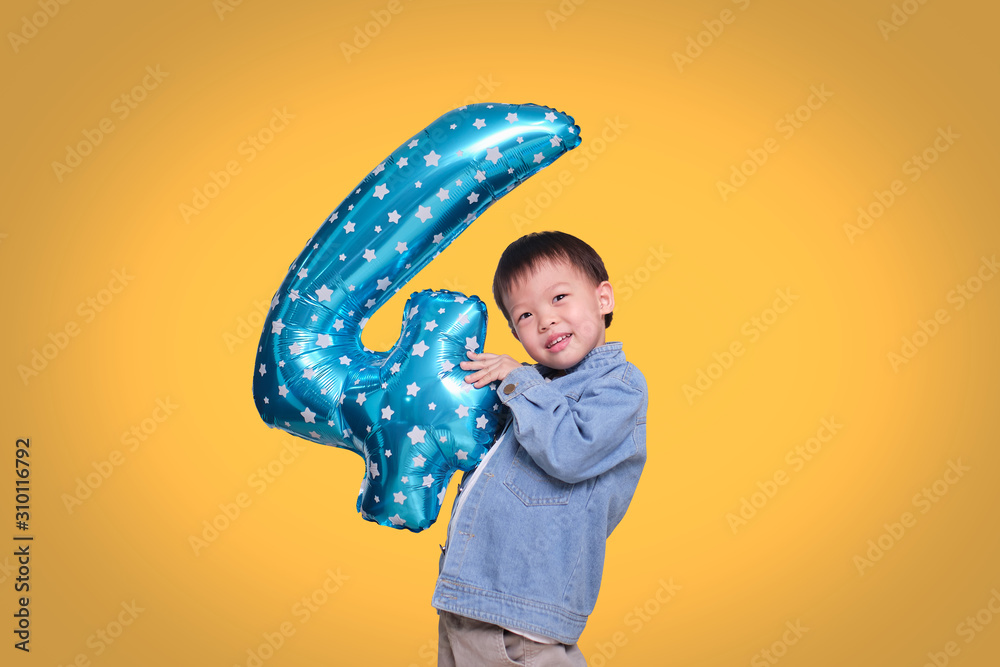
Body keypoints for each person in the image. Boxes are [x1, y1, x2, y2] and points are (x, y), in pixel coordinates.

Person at [432, 230, 648, 666]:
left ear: (603, 299)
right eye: (525, 315)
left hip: (521, 615)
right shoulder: (526, 389)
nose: (545, 320)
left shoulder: (619, 386)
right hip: (468, 597)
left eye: (560, 298)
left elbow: (570, 452)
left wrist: (519, 382)